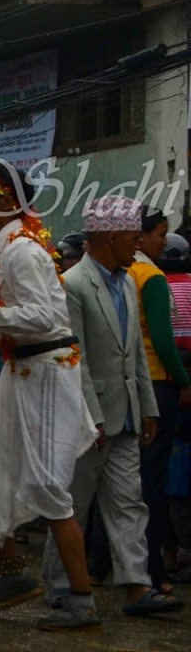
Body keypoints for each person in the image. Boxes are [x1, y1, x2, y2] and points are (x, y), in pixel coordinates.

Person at [0, 165, 102, 630]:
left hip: (48, 372)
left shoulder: (24, 253)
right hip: (20, 371)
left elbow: (44, 317)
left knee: (47, 489)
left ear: (4, 200)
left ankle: (81, 601)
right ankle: (12, 571)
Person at [46, 196, 179, 618]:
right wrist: (93, 417)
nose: (140, 242)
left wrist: (148, 408)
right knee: (73, 504)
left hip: (124, 416)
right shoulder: (74, 285)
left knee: (129, 502)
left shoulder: (127, 280)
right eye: (134, 235)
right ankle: (61, 585)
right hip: (90, 416)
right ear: (111, 236)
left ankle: (137, 586)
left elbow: (135, 355)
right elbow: (74, 356)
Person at [127, 211, 191, 594]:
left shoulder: (122, 274)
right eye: (159, 234)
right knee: (149, 484)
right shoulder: (148, 277)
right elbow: (163, 342)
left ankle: (105, 563)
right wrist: (183, 381)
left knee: (127, 482)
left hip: (135, 382)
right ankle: (150, 569)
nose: (163, 242)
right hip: (157, 384)